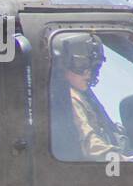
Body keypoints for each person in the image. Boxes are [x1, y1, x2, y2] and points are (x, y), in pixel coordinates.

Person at [53, 32, 127, 161]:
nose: (88, 73)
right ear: (63, 66)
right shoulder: (70, 99)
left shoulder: (83, 96)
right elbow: (91, 147)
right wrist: (125, 162)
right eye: (80, 66)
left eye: (93, 66)